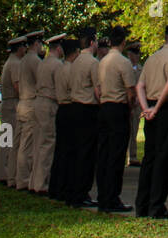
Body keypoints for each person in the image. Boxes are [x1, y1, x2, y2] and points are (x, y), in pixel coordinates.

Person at [135, 23, 168, 220]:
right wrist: (156, 109)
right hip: (164, 110)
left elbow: (140, 85)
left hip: (149, 109)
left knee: (149, 157)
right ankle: (156, 206)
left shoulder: (152, 58)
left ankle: (142, 204)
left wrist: (145, 108)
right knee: (164, 159)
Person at [96, 26, 136, 213]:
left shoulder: (102, 62)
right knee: (117, 154)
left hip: (103, 107)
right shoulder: (124, 62)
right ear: (123, 42)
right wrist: (130, 106)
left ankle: (103, 194)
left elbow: (97, 89)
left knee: (104, 153)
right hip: (118, 108)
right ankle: (113, 196)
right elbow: (130, 91)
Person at [65, 26, 101, 209]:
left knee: (76, 152)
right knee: (87, 154)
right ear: (92, 42)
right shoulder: (92, 63)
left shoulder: (75, 61)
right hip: (88, 109)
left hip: (74, 107)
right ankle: (82, 192)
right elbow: (97, 90)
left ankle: (73, 191)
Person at [31, 34, 65, 195]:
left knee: (38, 142)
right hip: (49, 104)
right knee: (47, 144)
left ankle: (34, 181)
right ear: (58, 48)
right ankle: (42, 183)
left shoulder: (43, 63)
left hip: (38, 102)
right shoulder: (57, 65)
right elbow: (60, 89)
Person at [14, 30, 45, 191]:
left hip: (22, 103)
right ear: (36, 43)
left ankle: (21, 178)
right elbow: (42, 81)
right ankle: (24, 179)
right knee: (28, 145)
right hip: (31, 103)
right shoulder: (34, 60)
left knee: (22, 144)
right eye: (41, 43)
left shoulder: (24, 60)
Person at [49, 38, 79, 202]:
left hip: (61, 108)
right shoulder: (70, 70)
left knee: (60, 151)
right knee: (69, 151)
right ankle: (66, 187)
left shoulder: (60, 68)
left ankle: (56, 187)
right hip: (69, 107)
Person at [0, 34, 26, 184]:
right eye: (24, 46)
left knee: (4, 137)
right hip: (12, 103)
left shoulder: (9, 62)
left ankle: (0, 170)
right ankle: (6, 172)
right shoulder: (16, 64)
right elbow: (17, 86)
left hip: (6, 103)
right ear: (19, 48)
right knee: (9, 139)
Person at [126, 41, 143, 167]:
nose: (136, 56)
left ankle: (133, 156)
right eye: (134, 54)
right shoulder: (125, 67)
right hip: (126, 103)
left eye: (138, 54)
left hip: (137, 103)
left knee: (134, 130)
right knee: (126, 130)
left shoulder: (141, 69)